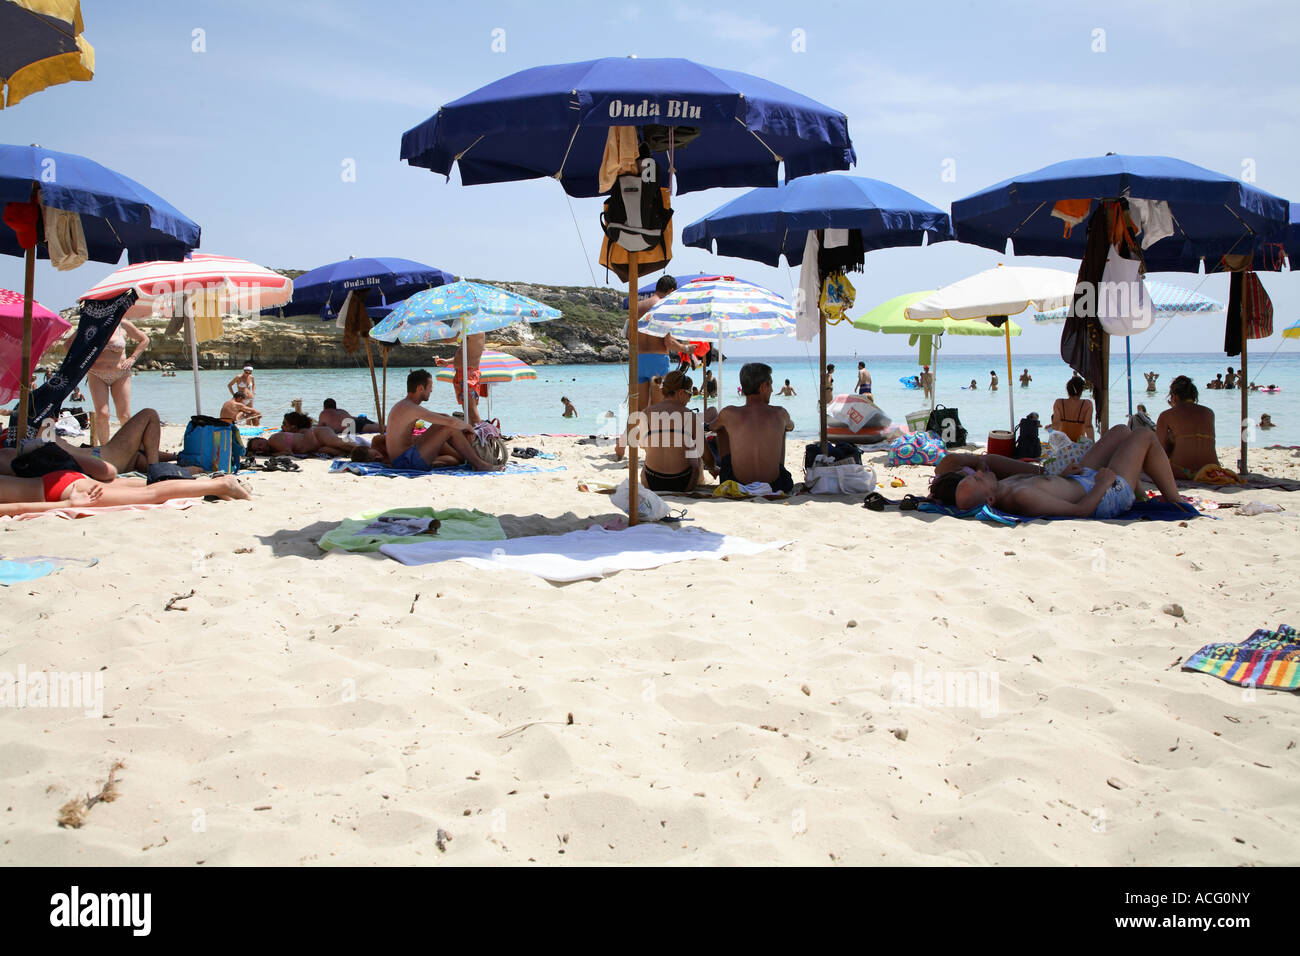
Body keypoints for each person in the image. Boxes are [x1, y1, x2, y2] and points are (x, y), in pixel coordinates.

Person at [932, 425, 1186, 518]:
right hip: (1105, 494)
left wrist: (1063, 476)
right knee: (1144, 434)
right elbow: (1080, 511)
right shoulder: (1020, 497)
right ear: (989, 499)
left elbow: (1047, 486)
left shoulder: (1007, 485)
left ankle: (1137, 492)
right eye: (977, 479)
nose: (978, 473)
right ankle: (1174, 500)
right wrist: (1103, 483)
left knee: (1120, 431)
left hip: (1079, 479)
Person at [615, 276, 689, 460]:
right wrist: (686, 348)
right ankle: (652, 450)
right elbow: (668, 341)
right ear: (671, 291)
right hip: (658, 364)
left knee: (637, 408)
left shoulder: (637, 307)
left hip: (639, 361)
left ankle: (622, 444)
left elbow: (629, 336)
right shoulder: (663, 307)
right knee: (657, 408)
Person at [384, 369, 500, 472]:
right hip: (406, 462)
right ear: (420, 388)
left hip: (403, 458)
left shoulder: (405, 405)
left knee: (441, 424)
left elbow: (443, 417)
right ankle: (480, 464)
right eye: (430, 387)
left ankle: (469, 458)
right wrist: (469, 428)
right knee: (450, 428)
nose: (431, 391)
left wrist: (457, 423)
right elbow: (450, 423)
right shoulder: (411, 408)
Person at [0, 471, 249, 517]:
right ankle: (208, 484)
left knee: (150, 495)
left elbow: (18, 508)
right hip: (57, 479)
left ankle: (221, 485)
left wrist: (67, 503)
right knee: (142, 490)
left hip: (59, 490)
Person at [707, 363, 794, 493]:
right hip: (775, 484)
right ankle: (778, 466)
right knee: (783, 428)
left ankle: (726, 466)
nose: (771, 390)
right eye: (770, 385)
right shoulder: (780, 413)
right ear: (763, 386)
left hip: (736, 481)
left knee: (721, 428)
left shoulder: (729, 413)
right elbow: (791, 426)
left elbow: (712, 427)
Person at [640, 370, 710, 492]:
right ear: (681, 392)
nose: (689, 400)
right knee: (693, 449)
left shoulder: (646, 412)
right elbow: (706, 454)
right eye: (689, 394)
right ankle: (701, 481)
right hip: (682, 482)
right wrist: (713, 467)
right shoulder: (690, 415)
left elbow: (643, 445)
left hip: (651, 480)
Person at [86, 318, 148, 442]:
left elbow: (144, 339)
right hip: (96, 374)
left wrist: (132, 358)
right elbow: (69, 344)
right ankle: (104, 449)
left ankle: (127, 448)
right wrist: (83, 363)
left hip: (121, 374)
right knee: (102, 414)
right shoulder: (90, 324)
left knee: (124, 415)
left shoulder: (122, 323)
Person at [1156, 375, 1220, 479]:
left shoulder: (1166, 415)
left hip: (1182, 471)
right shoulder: (1209, 412)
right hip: (1212, 470)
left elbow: (1159, 449)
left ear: (1174, 396)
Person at [434, 332, 486, 427]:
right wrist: (447, 362)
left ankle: (482, 438)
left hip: (468, 374)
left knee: (472, 413)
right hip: (464, 373)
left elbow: (447, 339)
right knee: (467, 412)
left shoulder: (473, 329)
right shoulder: (471, 329)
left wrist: (435, 327)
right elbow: (467, 354)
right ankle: (474, 438)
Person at [1051, 376, 1094, 443]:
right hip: (1079, 445)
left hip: (1063, 444)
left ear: (1068, 390)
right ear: (1081, 390)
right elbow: (1088, 427)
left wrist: (1051, 444)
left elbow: (1055, 425)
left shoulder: (1059, 403)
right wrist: (1093, 445)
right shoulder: (1087, 404)